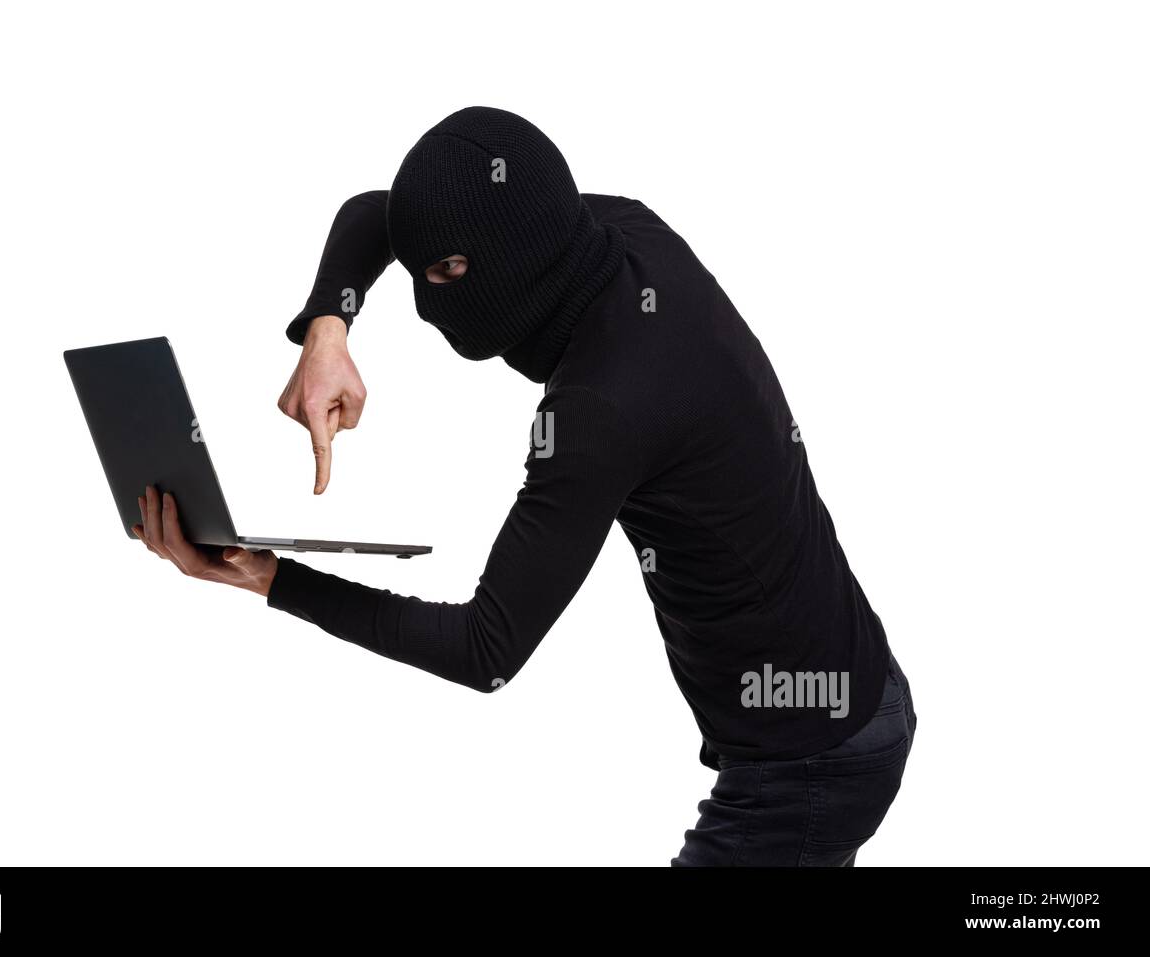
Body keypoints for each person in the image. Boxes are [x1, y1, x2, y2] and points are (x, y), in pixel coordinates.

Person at [133, 106, 917, 866]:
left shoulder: (604, 405)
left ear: (512, 255)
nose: (429, 299)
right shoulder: (615, 230)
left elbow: (487, 650)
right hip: (846, 702)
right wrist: (327, 327)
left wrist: (268, 575)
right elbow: (383, 214)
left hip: (807, 764)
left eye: (446, 272)